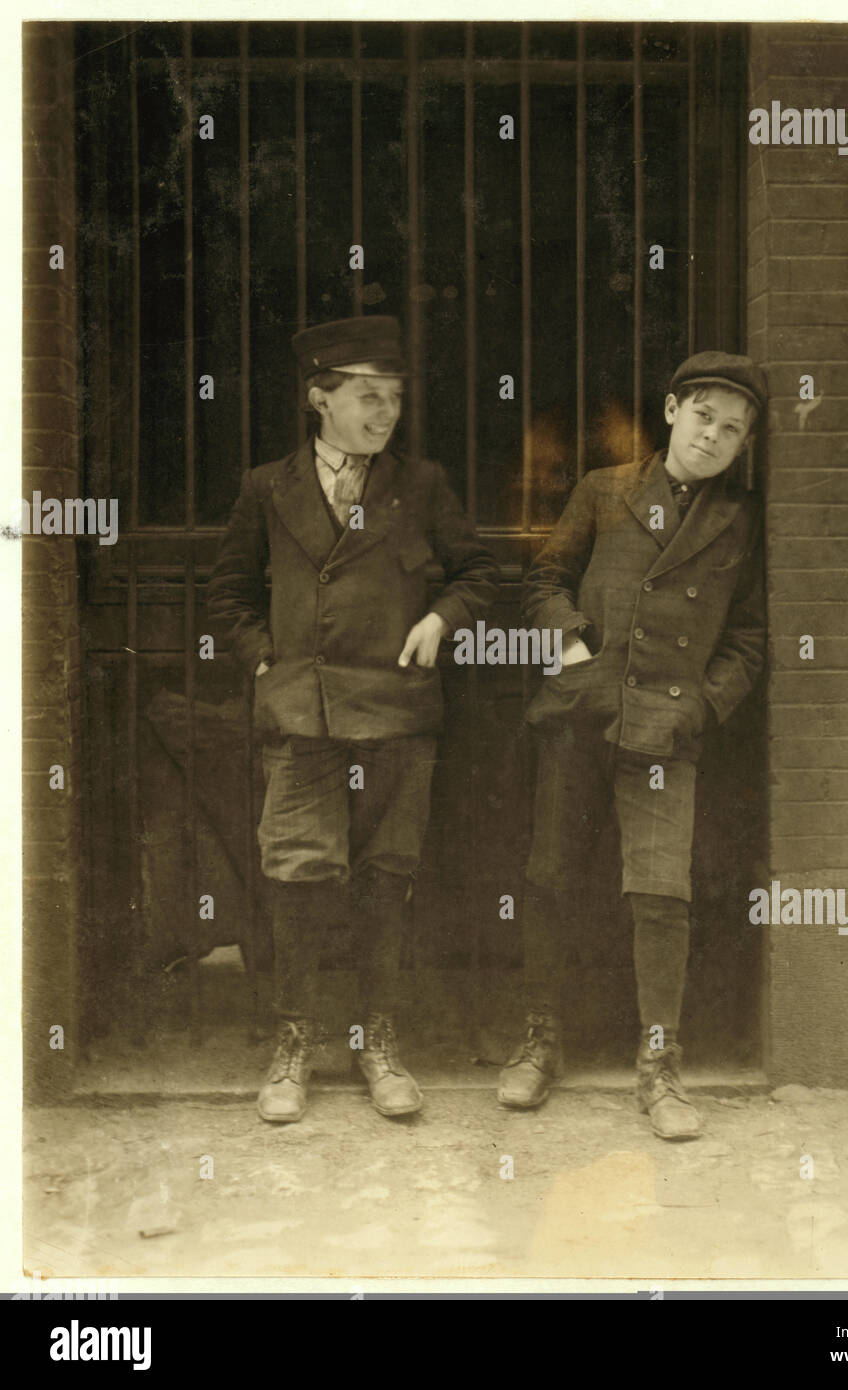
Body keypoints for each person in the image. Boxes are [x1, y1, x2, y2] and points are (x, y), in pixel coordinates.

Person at [207, 315, 499, 1124]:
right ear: (318, 398)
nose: (384, 414)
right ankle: (294, 1043)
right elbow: (229, 594)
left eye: (394, 400)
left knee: (385, 881)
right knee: (300, 878)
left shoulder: (422, 485)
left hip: (398, 714)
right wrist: (265, 659)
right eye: (367, 397)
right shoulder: (267, 488)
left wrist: (442, 619)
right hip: (304, 717)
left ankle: (378, 1043)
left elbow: (477, 574)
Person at [497, 351, 767, 1140]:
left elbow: (748, 640)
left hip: (666, 730)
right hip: (581, 716)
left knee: (659, 896)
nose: (713, 437)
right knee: (549, 877)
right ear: (673, 410)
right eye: (704, 417)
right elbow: (542, 581)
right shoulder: (604, 490)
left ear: (743, 443)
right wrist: (570, 647)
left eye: (733, 429)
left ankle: (659, 1064)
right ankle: (539, 1043)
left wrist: (701, 708)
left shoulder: (739, 522)